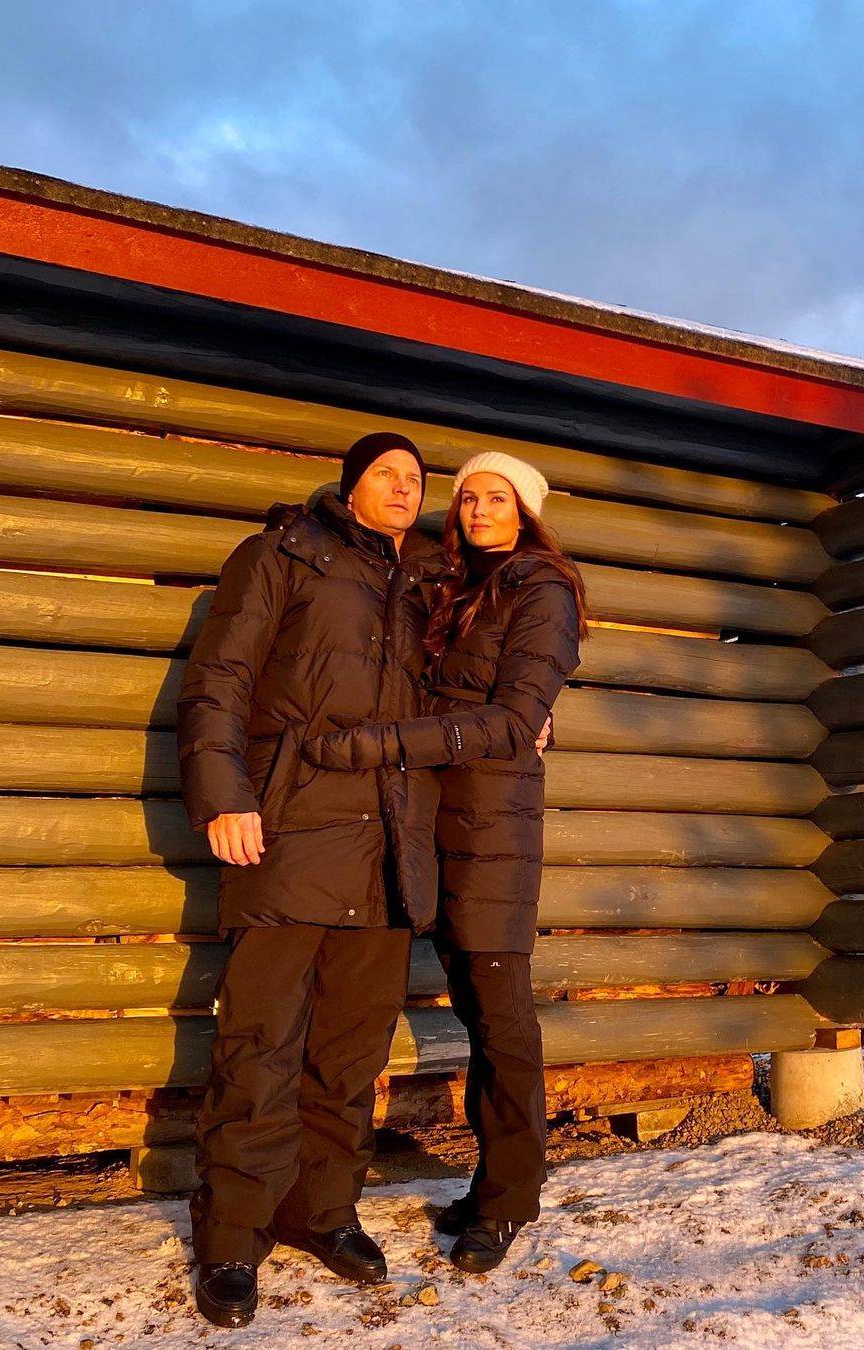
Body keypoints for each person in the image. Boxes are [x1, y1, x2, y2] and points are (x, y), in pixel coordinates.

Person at [177, 431, 450, 1328]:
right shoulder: (282, 555)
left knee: (350, 1053)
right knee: (259, 1047)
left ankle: (322, 1212)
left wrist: (531, 719)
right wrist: (225, 794)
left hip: (389, 847)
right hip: (288, 833)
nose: (403, 488)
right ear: (349, 484)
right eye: (386, 473)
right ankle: (232, 1237)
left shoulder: (431, 585)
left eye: (415, 478)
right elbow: (220, 679)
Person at [302, 450, 588, 1274]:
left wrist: (385, 743)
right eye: (467, 497)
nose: (478, 509)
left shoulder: (543, 589)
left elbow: (513, 722)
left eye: (497, 497)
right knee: (470, 1001)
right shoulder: (455, 582)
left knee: (500, 1017)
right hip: (428, 815)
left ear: (527, 511)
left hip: (492, 827)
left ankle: (508, 1199)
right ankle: (492, 1186)